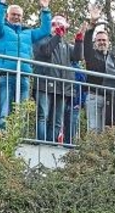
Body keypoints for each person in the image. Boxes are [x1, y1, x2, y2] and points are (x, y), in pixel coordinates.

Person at [0, 0, 51, 129]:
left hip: (24, 75)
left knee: (22, 110)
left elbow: (45, 30)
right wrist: (1, 4)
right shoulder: (2, 30)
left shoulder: (28, 33)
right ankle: (2, 134)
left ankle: (20, 135)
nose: (16, 17)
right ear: (7, 16)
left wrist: (45, 9)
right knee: (5, 108)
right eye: (13, 14)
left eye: (19, 15)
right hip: (6, 74)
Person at [32, 14, 84, 145]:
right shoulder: (42, 39)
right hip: (44, 84)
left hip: (63, 87)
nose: (57, 27)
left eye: (60, 25)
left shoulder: (65, 45)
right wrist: (57, 36)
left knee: (57, 120)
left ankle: (51, 144)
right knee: (43, 116)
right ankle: (41, 143)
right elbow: (46, 51)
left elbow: (78, 56)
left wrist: (79, 40)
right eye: (54, 24)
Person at [81, 7, 110, 134]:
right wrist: (93, 23)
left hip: (109, 97)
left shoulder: (112, 57)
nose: (102, 42)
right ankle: (91, 153)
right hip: (94, 96)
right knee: (93, 128)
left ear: (108, 42)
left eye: (104, 40)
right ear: (95, 42)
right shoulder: (91, 54)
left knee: (106, 130)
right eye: (99, 40)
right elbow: (86, 40)